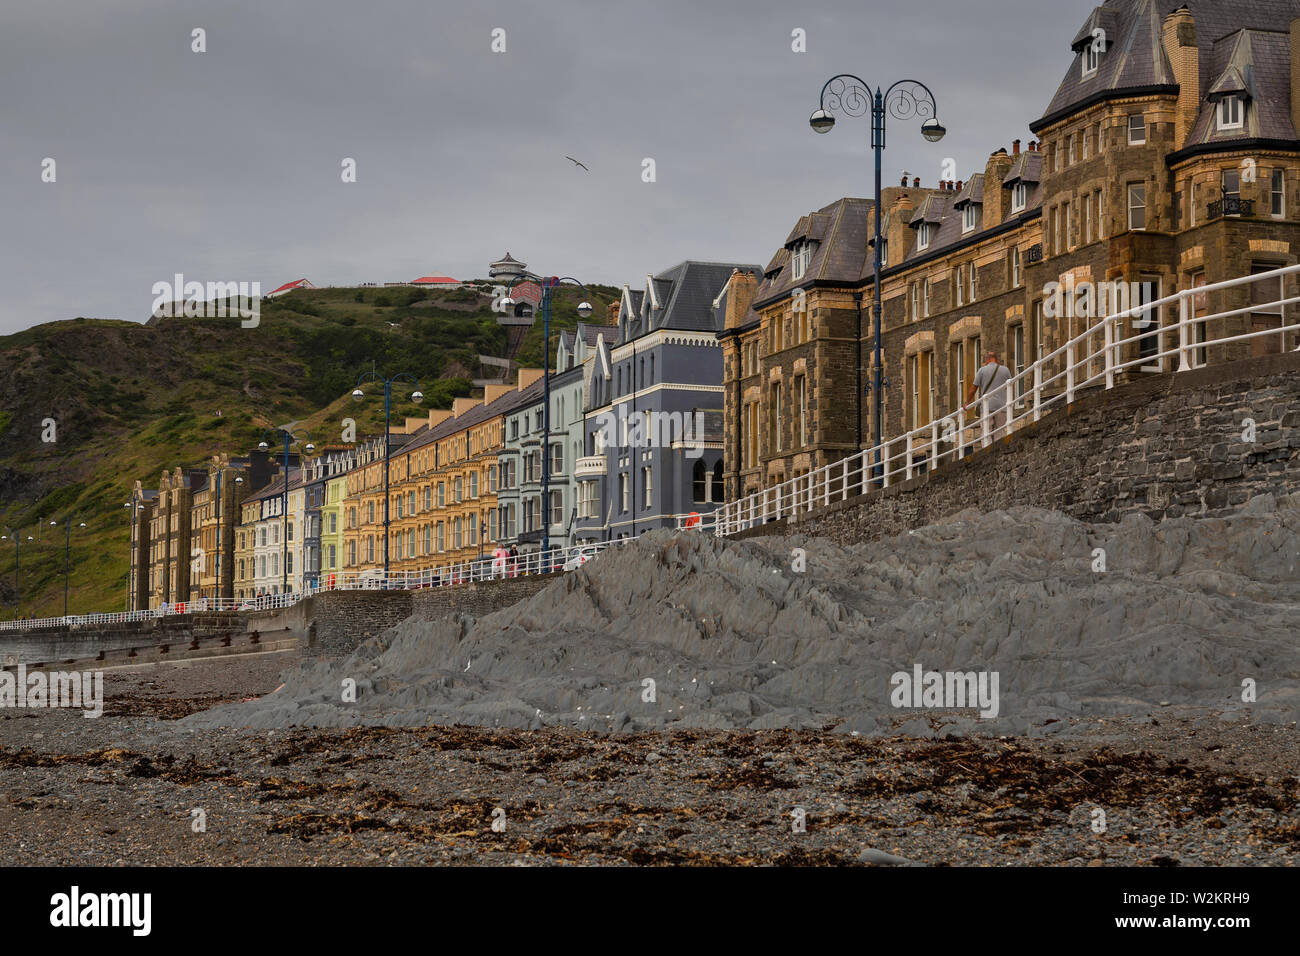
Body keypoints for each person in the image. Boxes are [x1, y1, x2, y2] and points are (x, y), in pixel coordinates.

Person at [966, 351, 1014, 439]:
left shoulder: (982, 370)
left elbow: (973, 389)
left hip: (986, 406)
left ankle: (987, 450)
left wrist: (967, 402)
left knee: (986, 432)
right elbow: (1011, 386)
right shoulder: (1005, 370)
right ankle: (999, 451)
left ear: (988, 360)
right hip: (1001, 405)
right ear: (996, 360)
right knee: (999, 431)